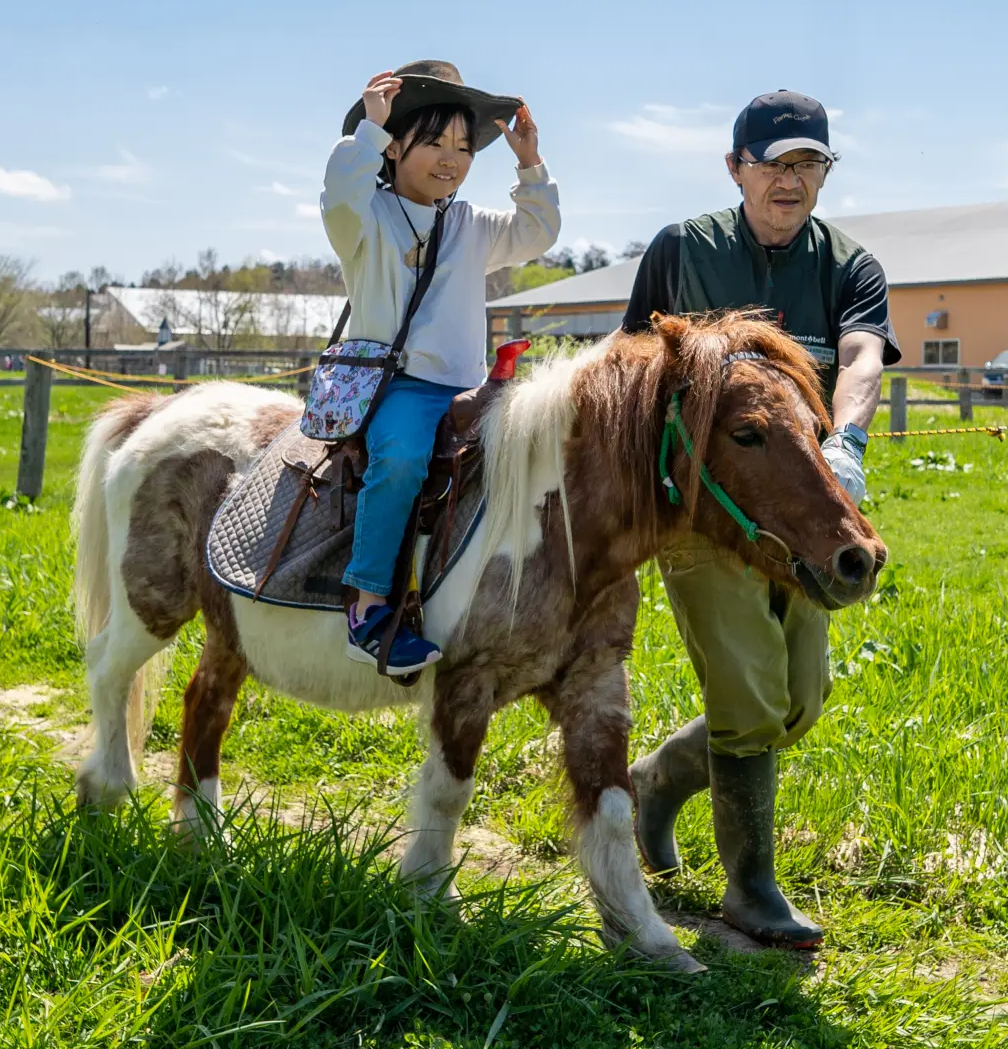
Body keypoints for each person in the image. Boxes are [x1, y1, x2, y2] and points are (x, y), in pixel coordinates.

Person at [622, 90, 899, 948]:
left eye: (810, 163)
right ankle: (751, 893)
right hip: (707, 512)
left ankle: (654, 787)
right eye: (776, 162)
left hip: (805, 514)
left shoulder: (848, 264)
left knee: (797, 705)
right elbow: (631, 364)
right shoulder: (681, 251)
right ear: (736, 166)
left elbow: (860, 351)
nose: (793, 179)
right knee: (747, 701)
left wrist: (844, 437)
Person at [322, 60, 559, 677]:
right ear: (396, 147)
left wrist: (529, 164)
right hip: (399, 385)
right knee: (399, 460)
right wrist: (370, 128)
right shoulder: (364, 218)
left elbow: (537, 232)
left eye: (464, 145)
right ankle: (370, 609)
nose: (452, 158)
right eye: (434, 142)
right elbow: (338, 195)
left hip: (473, 384)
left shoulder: (471, 224)